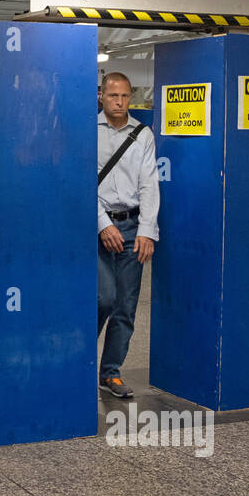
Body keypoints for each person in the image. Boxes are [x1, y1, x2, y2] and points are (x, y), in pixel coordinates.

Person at [96, 72, 159, 399]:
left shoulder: (142, 134)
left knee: (125, 306)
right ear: (101, 96)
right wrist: (102, 224)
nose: (119, 102)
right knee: (103, 297)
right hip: (96, 229)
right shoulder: (89, 132)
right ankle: (79, 362)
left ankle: (110, 373)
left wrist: (148, 230)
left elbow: (150, 184)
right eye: (112, 96)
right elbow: (80, 183)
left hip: (132, 227)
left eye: (124, 96)